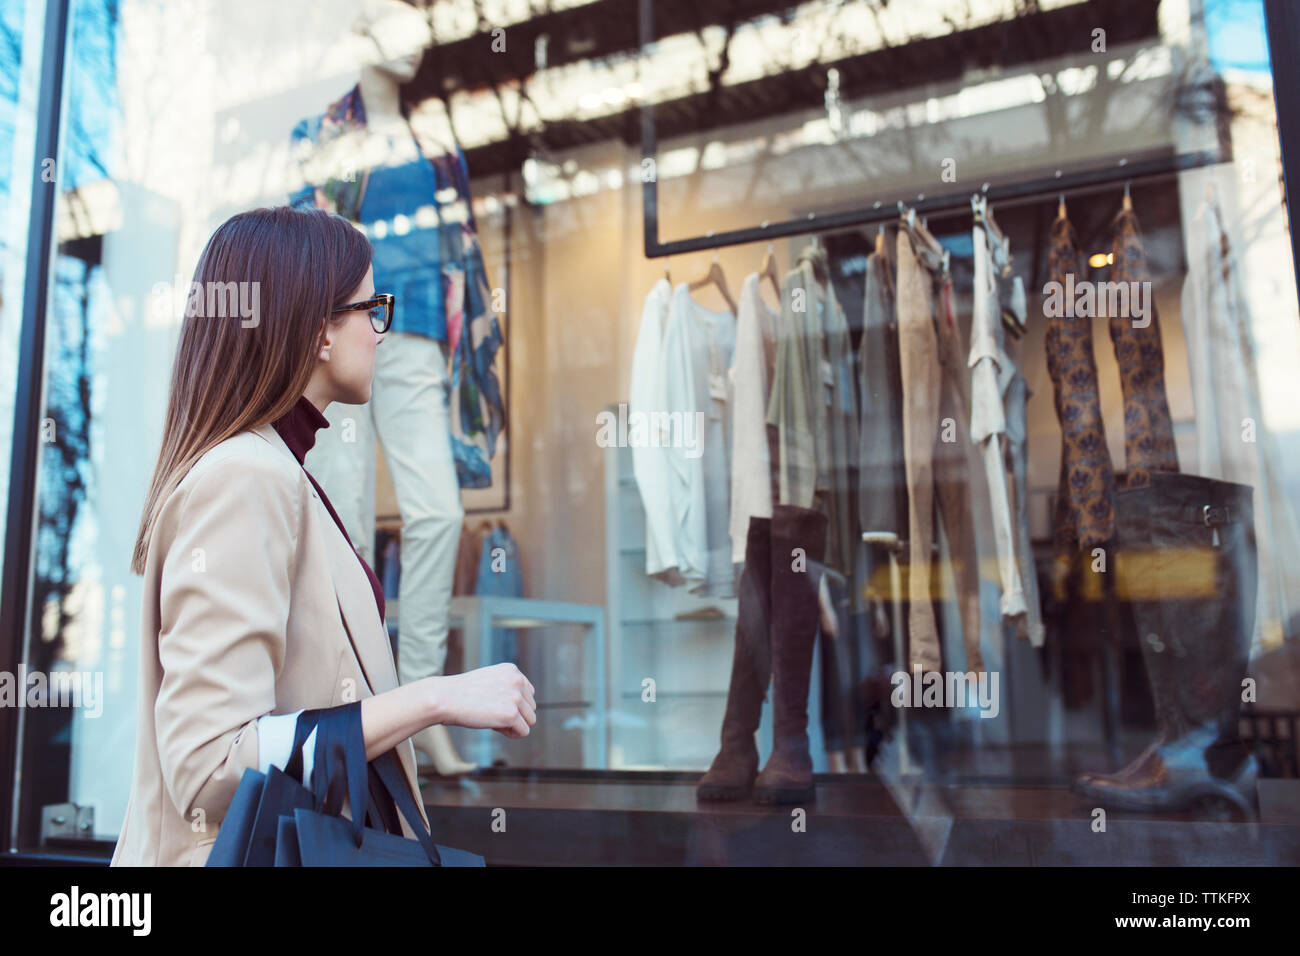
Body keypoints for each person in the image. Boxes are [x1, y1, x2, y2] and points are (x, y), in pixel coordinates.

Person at [112, 206, 534, 866]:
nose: (382, 332)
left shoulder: (277, 471)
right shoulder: (246, 477)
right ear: (317, 333)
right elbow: (210, 766)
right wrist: (434, 699)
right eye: (372, 309)